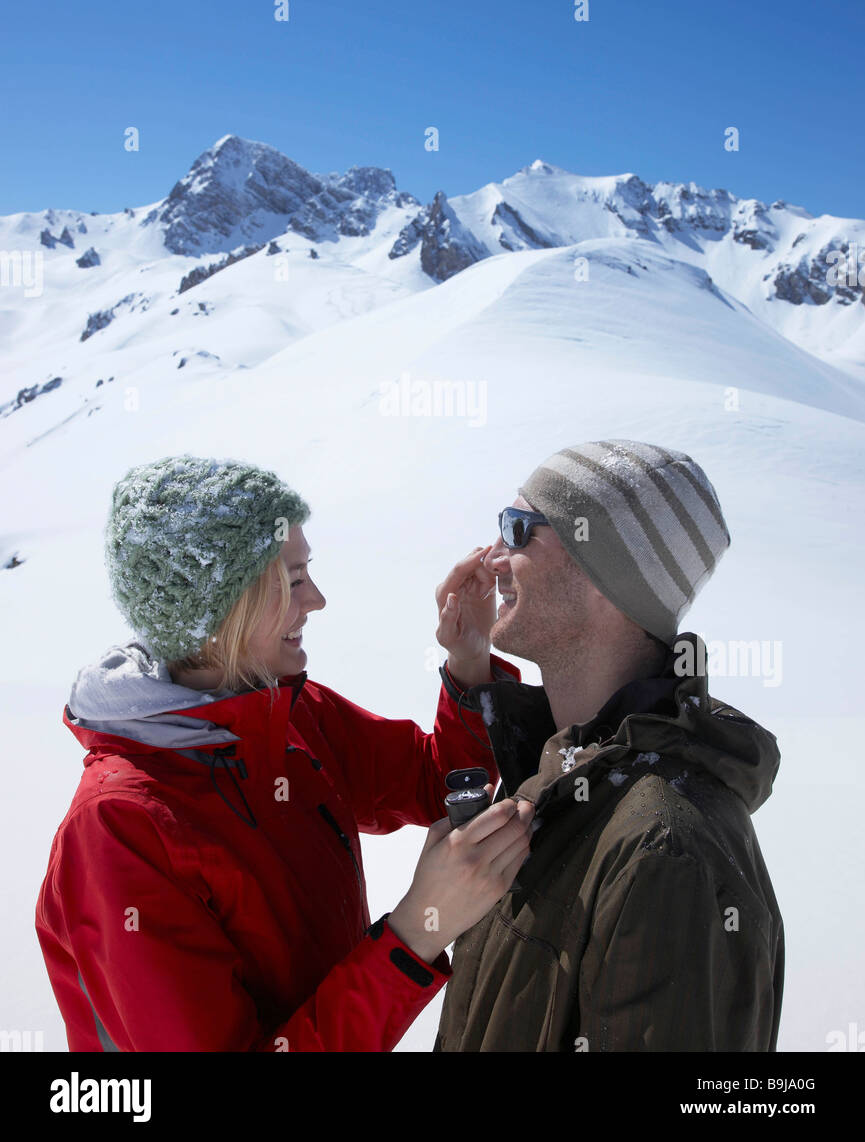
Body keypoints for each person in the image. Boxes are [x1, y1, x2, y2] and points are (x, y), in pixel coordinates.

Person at [35, 455, 533, 1052]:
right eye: (293, 580)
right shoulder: (119, 828)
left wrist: (469, 659)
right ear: (223, 608)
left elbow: (432, 782)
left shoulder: (281, 711)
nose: (317, 599)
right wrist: (416, 932)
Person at [433, 439, 785, 1052]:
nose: (491, 557)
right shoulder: (555, 781)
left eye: (518, 531)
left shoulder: (667, 852)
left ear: (605, 575)